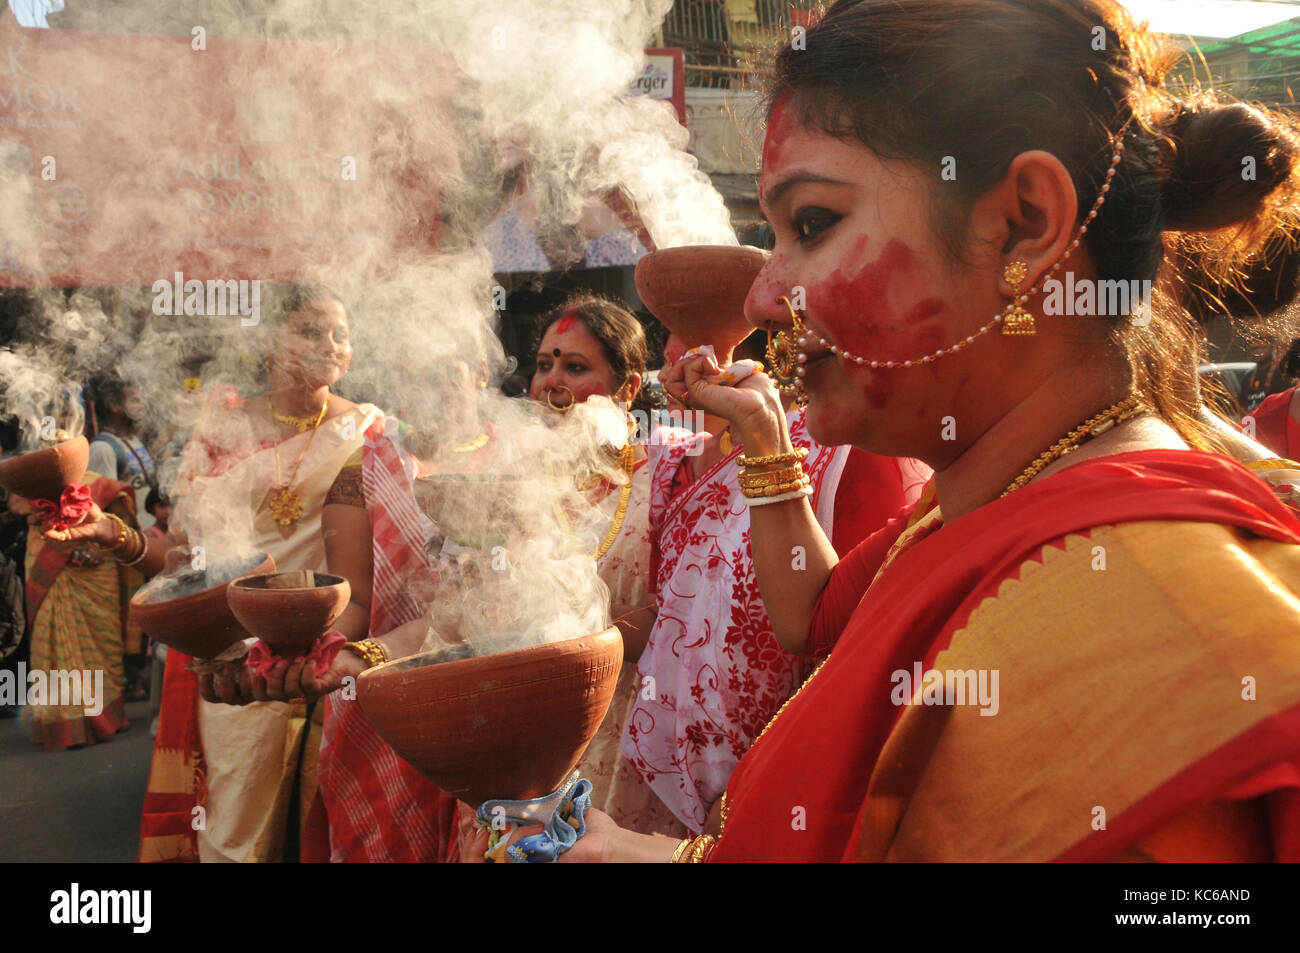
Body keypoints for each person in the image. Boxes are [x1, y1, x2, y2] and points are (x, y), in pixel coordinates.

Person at [568, 0, 1300, 863]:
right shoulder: (984, 500)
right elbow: (813, 615)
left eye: (812, 224)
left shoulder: (1158, 636)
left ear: (1024, 224)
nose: (764, 298)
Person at [622, 279, 928, 835]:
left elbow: (851, 667)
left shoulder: (872, 457)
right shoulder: (744, 436)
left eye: (813, 226)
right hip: (698, 802)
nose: (762, 299)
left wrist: (757, 790)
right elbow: (785, 618)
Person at [137, 283, 381, 862]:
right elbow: (183, 555)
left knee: (323, 825)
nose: (329, 345)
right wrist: (124, 541)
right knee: (235, 820)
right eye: (308, 330)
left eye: (340, 334)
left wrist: (332, 643)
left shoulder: (368, 429)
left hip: (331, 641)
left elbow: (376, 561)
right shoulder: (222, 429)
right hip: (235, 654)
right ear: (269, 343)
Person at [14, 467, 137, 749]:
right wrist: (39, 509)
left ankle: (105, 717)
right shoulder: (27, 478)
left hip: (94, 578)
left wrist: (95, 548)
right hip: (50, 570)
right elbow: (16, 507)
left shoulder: (99, 486)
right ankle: (64, 724)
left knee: (100, 645)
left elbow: (126, 525)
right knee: (52, 641)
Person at [1244, 338, 1300, 461]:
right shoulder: (1269, 412)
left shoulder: (1279, 374)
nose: (1258, 352)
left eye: (1261, 348)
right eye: (1255, 348)